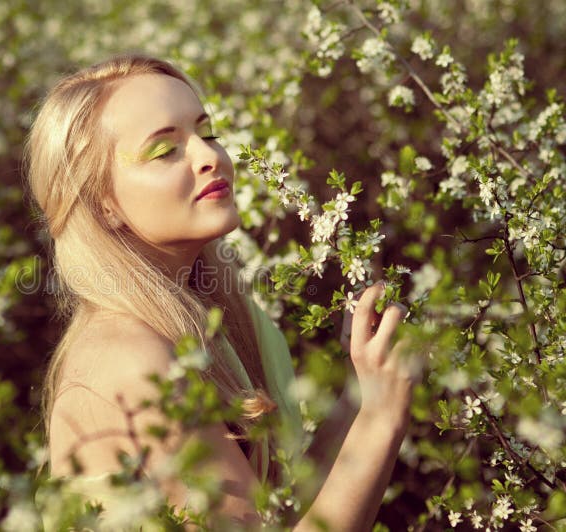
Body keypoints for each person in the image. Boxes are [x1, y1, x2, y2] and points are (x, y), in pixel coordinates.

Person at [24, 54, 418, 530]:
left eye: (206, 133)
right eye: (164, 150)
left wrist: (361, 391)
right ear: (102, 203)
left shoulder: (216, 316)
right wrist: (380, 417)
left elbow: (284, 512)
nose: (210, 156)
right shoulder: (133, 358)